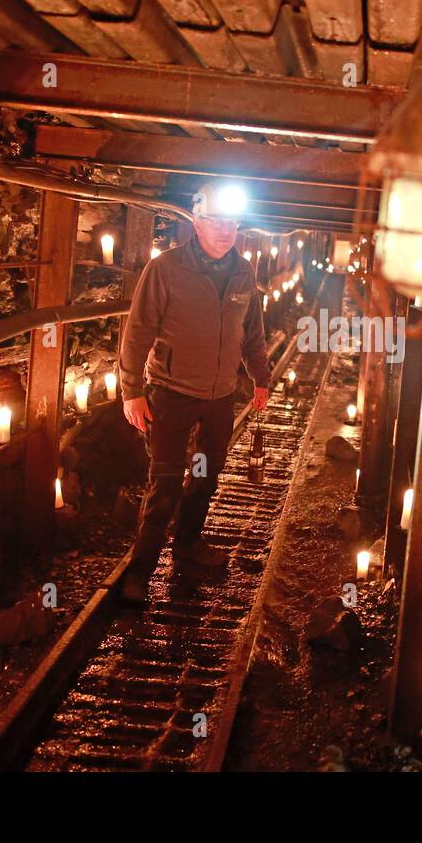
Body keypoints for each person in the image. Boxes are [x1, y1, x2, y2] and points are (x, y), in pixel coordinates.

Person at [116, 182, 270, 604]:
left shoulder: (243, 272)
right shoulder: (165, 269)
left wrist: (261, 376)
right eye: (216, 220)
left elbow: (251, 332)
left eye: (232, 221)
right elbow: (137, 333)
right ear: (197, 222)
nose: (226, 229)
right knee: (164, 482)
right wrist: (132, 391)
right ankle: (140, 571)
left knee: (204, 475)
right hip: (171, 394)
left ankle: (186, 545)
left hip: (219, 397)